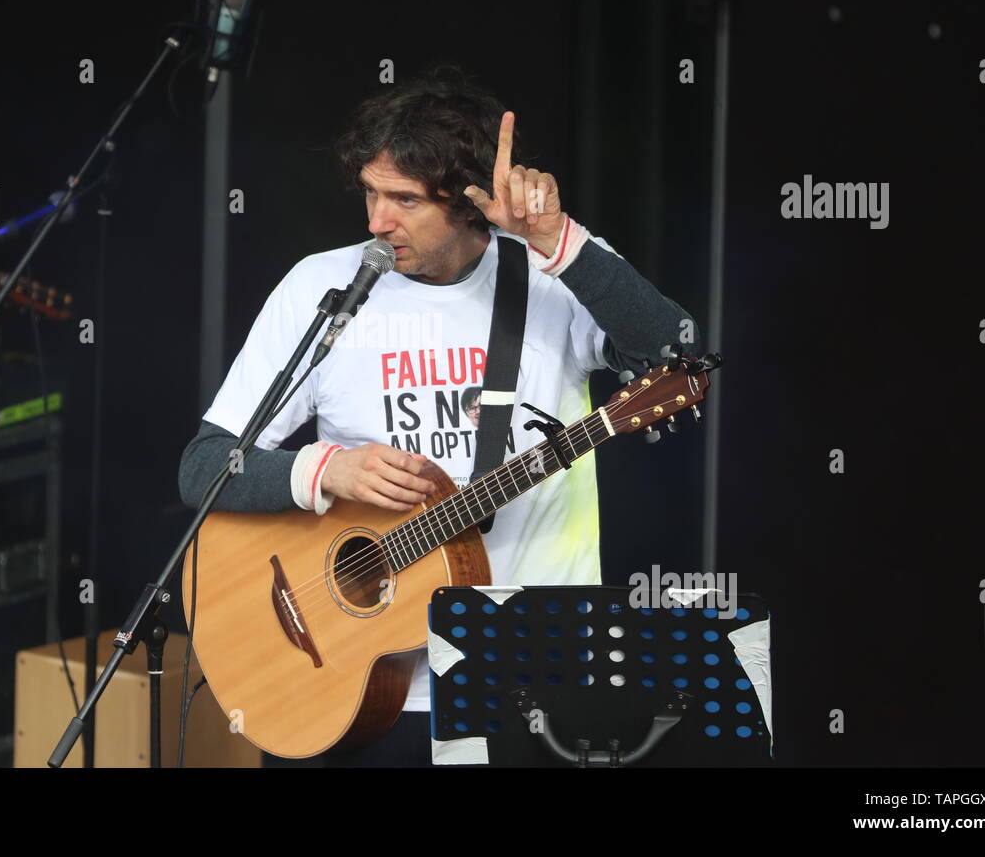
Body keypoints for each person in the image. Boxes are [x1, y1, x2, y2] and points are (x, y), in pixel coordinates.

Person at [178, 65, 699, 767]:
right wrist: (328, 468)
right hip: (350, 682)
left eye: (404, 200)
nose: (375, 222)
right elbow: (204, 468)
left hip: (532, 684)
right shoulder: (321, 287)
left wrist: (558, 240)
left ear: (466, 202)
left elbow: (678, 355)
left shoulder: (554, 272)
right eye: (370, 192)